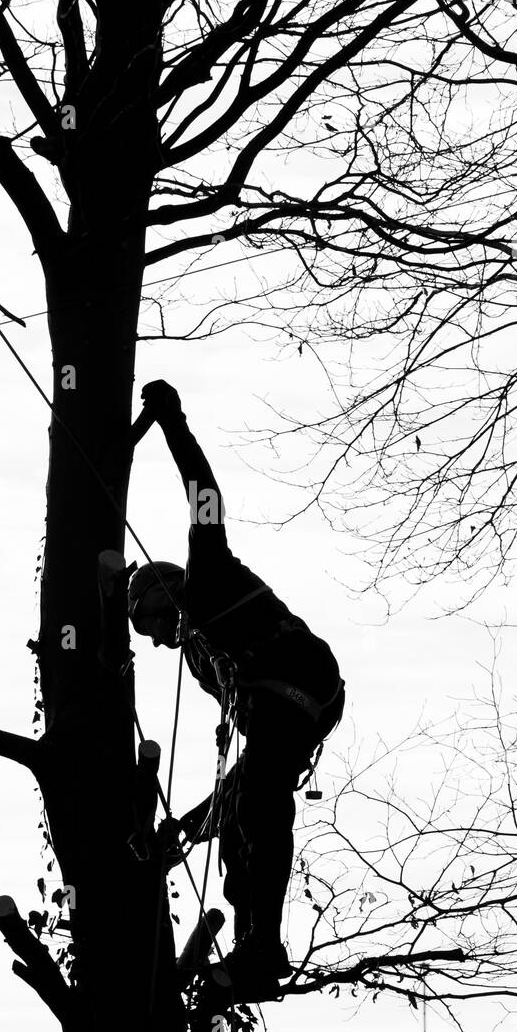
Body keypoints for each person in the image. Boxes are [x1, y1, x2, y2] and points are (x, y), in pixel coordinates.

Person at [129, 380, 344, 997]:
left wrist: (172, 424)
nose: (150, 641)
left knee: (258, 801)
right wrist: (187, 827)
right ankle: (256, 944)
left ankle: (260, 943)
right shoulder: (199, 659)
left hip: (301, 682)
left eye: (144, 623)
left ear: (160, 595)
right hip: (282, 713)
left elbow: (205, 497)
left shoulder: (209, 578)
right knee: (235, 812)